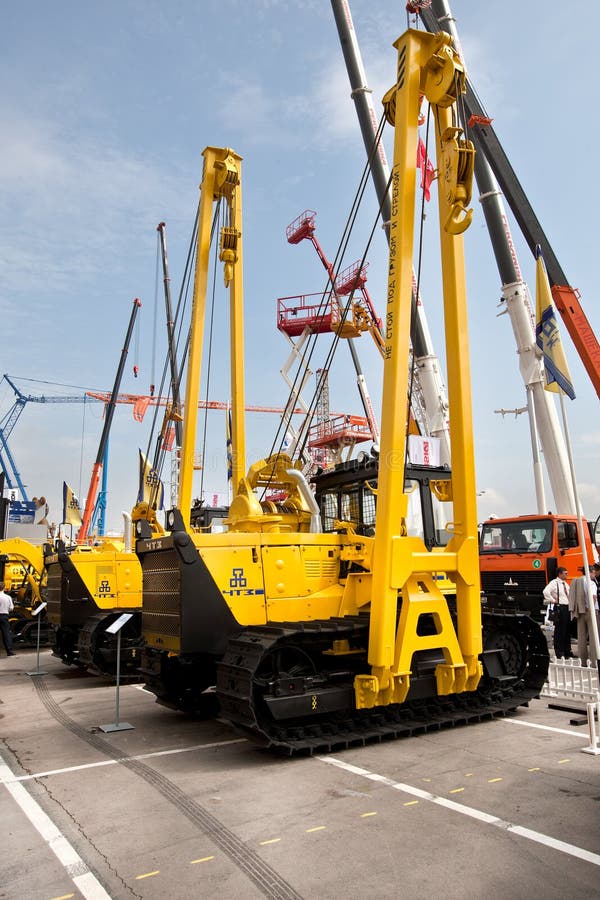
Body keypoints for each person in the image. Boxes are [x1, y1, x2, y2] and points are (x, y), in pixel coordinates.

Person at [569, 568, 599, 667]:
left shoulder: (576, 581)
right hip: (591, 611)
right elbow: (593, 597)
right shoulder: (591, 583)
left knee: (581, 637)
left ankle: (583, 661)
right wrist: (591, 608)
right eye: (594, 572)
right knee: (593, 636)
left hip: (579, 611)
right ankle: (595, 661)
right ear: (589, 572)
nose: (595, 574)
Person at [543, 567, 572, 658]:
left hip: (567, 607)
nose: (566, 575)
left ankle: (567, 650)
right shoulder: (554, 583)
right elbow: (546, 591)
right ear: (560, 574)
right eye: (565, 573)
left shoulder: (565, 584)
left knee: (567, 630)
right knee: (560, 630)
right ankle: (559, 651)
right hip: (560, 607)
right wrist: (553, 600)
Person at [0, 581, 16, 657]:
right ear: (4, 588)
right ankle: (9, 651)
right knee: (6, 634)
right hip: (4, 616)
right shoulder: (8, 597)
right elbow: (11, 608)